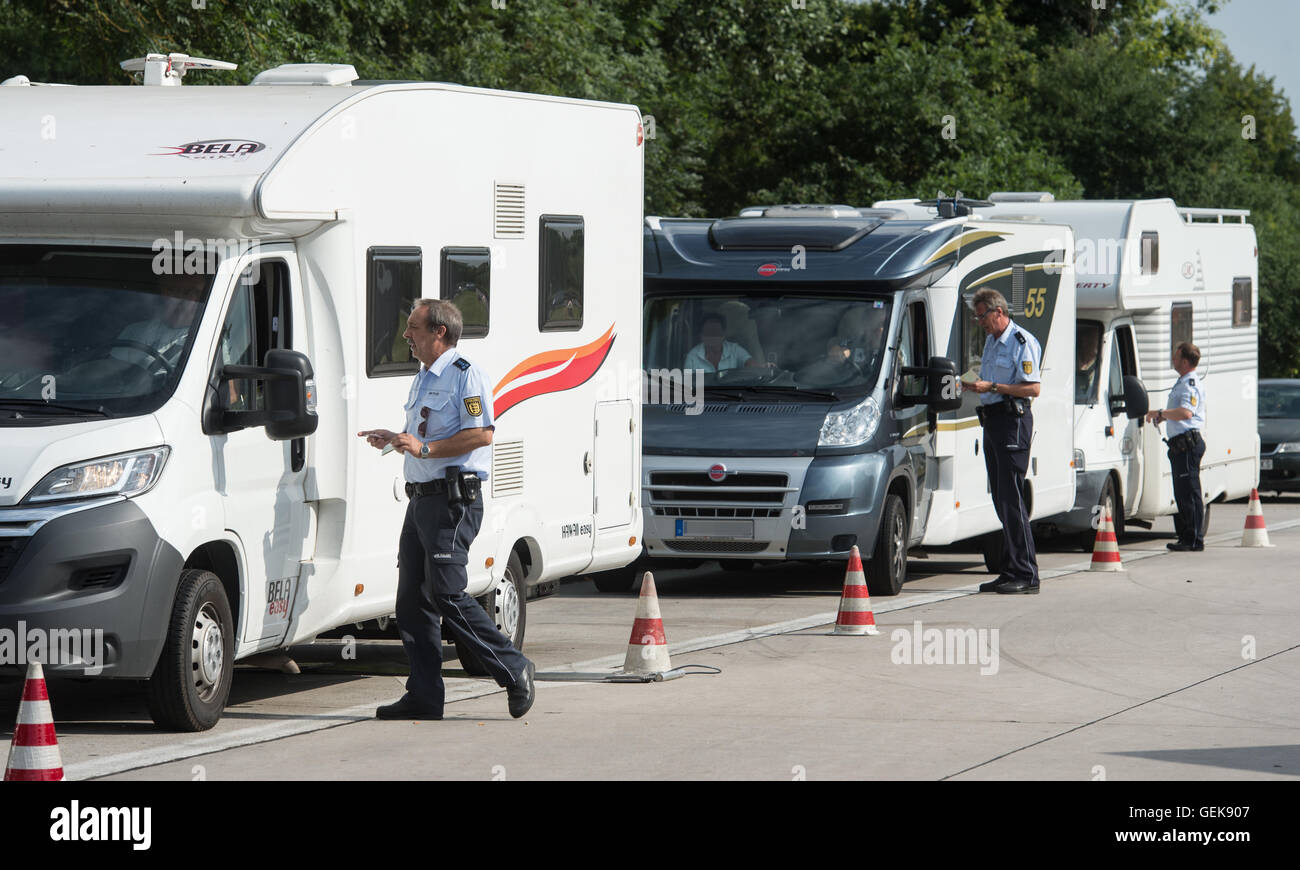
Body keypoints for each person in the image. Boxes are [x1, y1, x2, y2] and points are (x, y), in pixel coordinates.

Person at [358, 299, 535, 720]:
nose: (406, 336)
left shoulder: (465, 374)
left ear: (439, 332)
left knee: (447, 594)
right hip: (420, 499)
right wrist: (396, 438)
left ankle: (514, 667)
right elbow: (421, 435)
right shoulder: (423, 376)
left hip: (452, 501)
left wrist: (425, 447)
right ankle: (424, 695)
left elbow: (481, 434)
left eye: (413, 328)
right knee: (410, 601)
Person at [965, 288, 1043, 595]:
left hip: (1013, 421)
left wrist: (993, 385)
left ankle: (1027, 573)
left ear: (999, 312)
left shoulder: (1021, 341)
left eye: (983, 315)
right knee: (1000, 498)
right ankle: (1010, 569)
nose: (980, 321)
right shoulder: (991, 341)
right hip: (994, 420)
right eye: (977, 316)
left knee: (1012, 499)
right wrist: (976, 386)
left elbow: (1033, 387)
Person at [1145, 341, 1206, 551]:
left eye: (1177, 357)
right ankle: (1186, 536)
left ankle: (1194, 539)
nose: (1173, 359)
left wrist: (1160, 414)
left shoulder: (1190, 384)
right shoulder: (1182, 382)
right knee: (1182, 493)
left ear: (1186, 361)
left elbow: (1186, 413)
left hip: (1187, 445)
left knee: (1189, 492)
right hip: (1180, 445)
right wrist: (1165, 418)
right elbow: (1180, 413)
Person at [683, 313, 758, 373]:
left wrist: (752, 367)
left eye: (716, 332)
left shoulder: (734, 349)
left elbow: (751, 363)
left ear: (724, 334)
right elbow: (688, 385)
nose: (712, 336)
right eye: (708, 333)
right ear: (701, 336)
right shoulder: (692, 357)